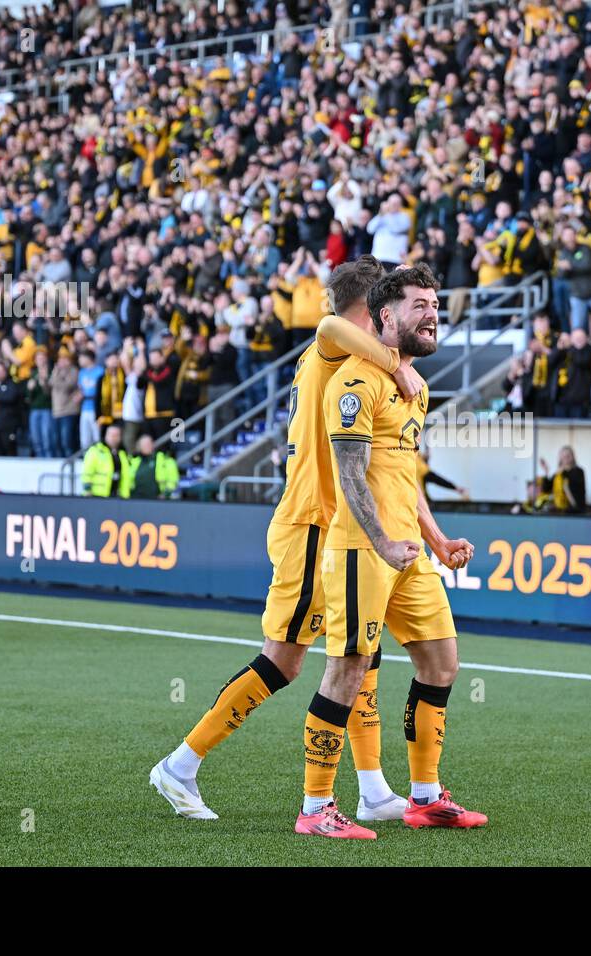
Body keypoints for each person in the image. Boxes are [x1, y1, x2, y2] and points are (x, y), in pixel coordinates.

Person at [149, 258, 460, 829]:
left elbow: (397, 462)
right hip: (314, 525)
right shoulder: (338, 351)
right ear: (372, 312)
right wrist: (395, 360)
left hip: (343, 527)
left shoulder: (366, 369)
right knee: (285, 662)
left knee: (362, 656)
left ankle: (372, 790)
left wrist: (434, 536)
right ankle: (182, 763)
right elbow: (327, 326)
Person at [300, 265, 486, 836]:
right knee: (348, 668)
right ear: (385, 316)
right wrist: (381, 541)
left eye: (435, 304)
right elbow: (350, 473)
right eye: (419, 306)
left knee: (442, 661)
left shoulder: (418, 386)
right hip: (363, 548)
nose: (432, 314)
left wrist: (436, 539)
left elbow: (403, 474)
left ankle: (425, 797)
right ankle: (315, 809)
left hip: (408, 554)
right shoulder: (354, 381)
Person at [120, 433, 180, 500]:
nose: (146, 446)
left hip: (156, 499)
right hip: (135, 498)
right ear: (139, 446)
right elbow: (125, 479)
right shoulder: (133, 461)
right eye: (144, 444)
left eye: (148, 444)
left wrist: (166, 494)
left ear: (152, 445)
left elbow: (173, 480)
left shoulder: (164, 460)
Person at [81, 424, 127, 498]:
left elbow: (125, 477)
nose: (114, 438)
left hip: (115, 496)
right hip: (96, 495)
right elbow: (87, 472)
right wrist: (87, 490)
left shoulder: (122, 454)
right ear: (106, 435)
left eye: (116, 435)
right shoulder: (96, 451)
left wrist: (125, 496)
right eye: (111, 435)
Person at [539, 446, 587, 514]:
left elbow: (575, 486)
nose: (566, 458)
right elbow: (546, 489)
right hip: (560, 511)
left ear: (573, 457)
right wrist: (546, 471)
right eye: (563, 456)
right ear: (560, 458)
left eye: (568, 455)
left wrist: (562, 471)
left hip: (576, 511)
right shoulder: (558, 473)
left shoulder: (579, 471)